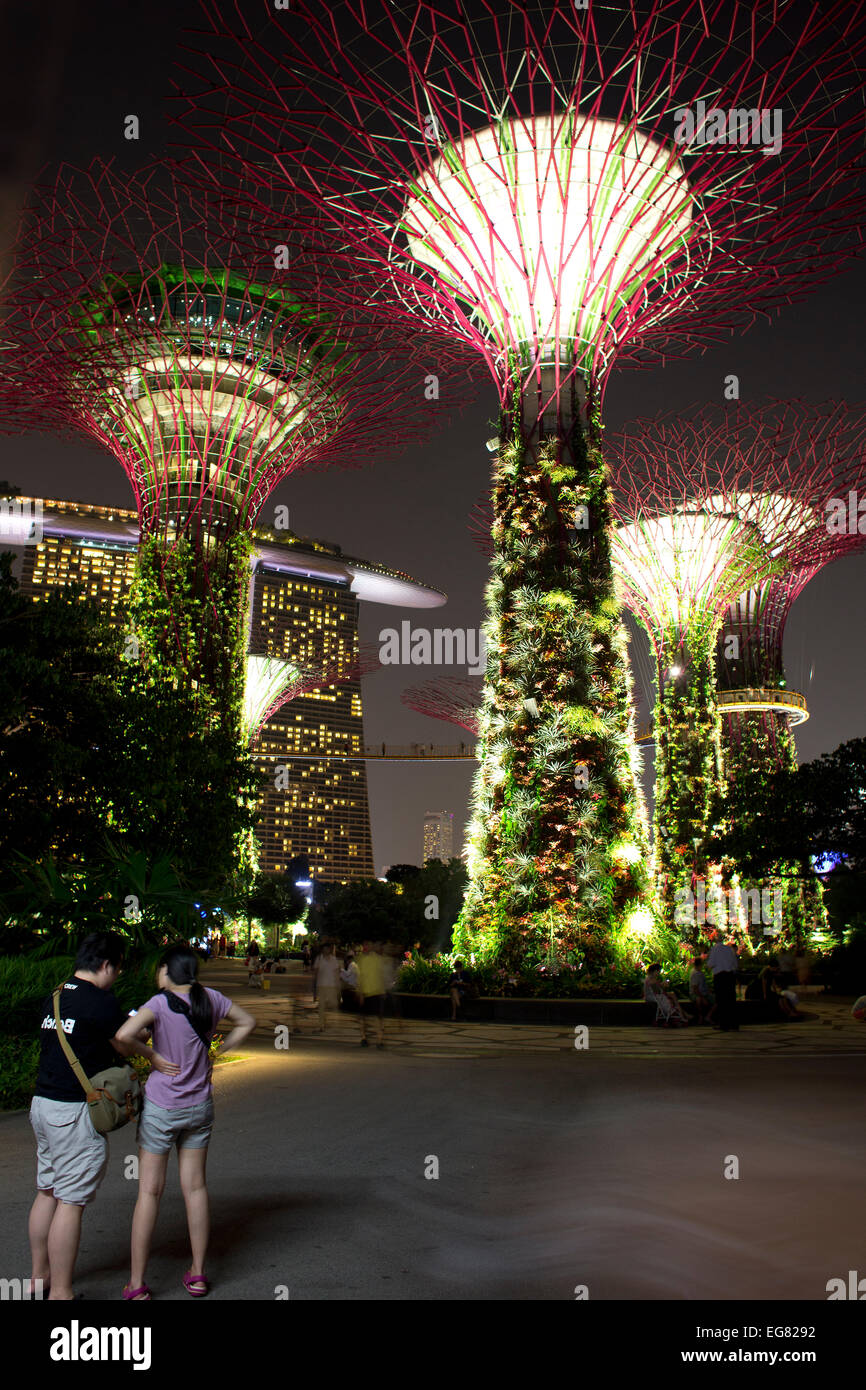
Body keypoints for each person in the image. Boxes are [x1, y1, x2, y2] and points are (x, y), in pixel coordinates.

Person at [114, 944, 255, 1301]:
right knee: (195, 1190)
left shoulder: (159, 1003)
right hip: (199, 1107)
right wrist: (217, 1054)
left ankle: (137, 1284)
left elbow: (122, 1036)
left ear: (166, 970)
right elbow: (247, 1022)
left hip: (163, 1107)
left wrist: (152, 1056)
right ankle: (198, 1274)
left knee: (149, 1192)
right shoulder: (212, 998)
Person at [28, 931, 148, 1301]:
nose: (117, 976)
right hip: (73, 1112)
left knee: (47, 1190)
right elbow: (124, 1042)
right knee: (71, 1200)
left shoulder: (56, 995)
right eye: (117, 969)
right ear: (106, 964)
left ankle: (38, 1277)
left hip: (42, 1105)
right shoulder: (102, 1002)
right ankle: (61, 1292)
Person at [356, 941, 386, 1048]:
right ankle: (363, 1038)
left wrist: (383, 991)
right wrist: (360, 993)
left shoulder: (378, 959)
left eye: (368, 944)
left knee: (377, 1018)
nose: (366, 947)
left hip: (377, 992)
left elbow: (381, 976)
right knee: (362, 1018)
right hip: (365, 992)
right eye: (365, 944)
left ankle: (380, 1040)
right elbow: (360, 977)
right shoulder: (360, 959)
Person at [707, 935, 740, 1031]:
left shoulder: (715, 949)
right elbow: (735, 964)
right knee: (731, 1000)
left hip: (720, 976)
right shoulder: (729, 949)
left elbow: (710, 963)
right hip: (729, 976)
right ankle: (734, 1024)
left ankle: (724, 1024)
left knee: (721, 1001)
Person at [312, 944, 341, 1031]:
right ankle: (321, 1024)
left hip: (331, 984)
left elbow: (336, 971)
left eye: (327, 949)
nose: (326, 951)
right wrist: (315, 984)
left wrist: (337, 983)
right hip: (321, 984)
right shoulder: (319, 959)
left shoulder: (333, 959)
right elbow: (316, 971)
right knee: (321, 1005)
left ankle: (327, 1018)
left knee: (333, 1003)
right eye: (324, 949)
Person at [688, 958, 716, 1025]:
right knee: (699, 1000)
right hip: (697, 994)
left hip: (704, 993)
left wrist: (709, 991)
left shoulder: (700, 973)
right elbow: (695, 988)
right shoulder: (695, 973)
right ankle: (701, 1017)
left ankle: (708, 1016)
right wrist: (703, 998)